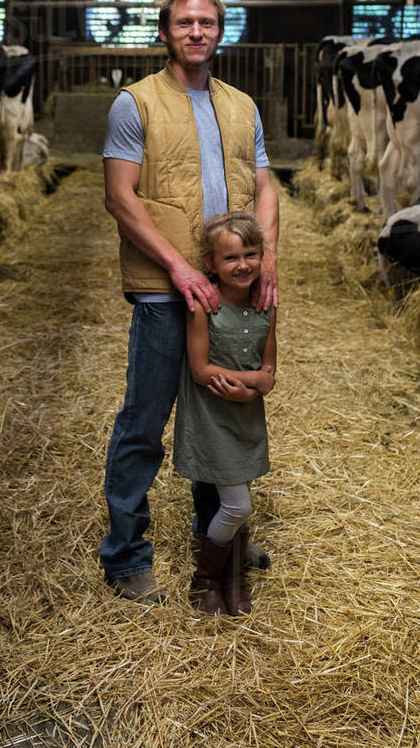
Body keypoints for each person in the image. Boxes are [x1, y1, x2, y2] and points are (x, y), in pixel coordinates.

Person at [100, 0, 279, 602]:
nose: (196, 32)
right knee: (145, 423)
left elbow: (265, 187)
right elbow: (120, 198)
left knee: (220, 414)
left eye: (206, 22)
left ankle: (218, 535)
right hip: (163, 290)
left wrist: (269, 259)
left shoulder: (242, 106)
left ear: (220, 31)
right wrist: (179, 268)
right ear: (164, 32)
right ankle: (126, 557)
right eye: (184, 23)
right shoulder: (136, 103)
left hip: (227, 293)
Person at [173, 211, 276, 616]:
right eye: (230, 258)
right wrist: (250, 382)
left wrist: (259, 382)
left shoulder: (265, 305)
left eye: (251, 254)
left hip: (246, 419)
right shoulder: (204, 307)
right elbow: (201, 371)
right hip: (212, 418)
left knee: (237, 495)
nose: (243, 264)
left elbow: (269, 369)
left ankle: (232, 583)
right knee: (237, 506)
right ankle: (205, 582)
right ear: (211, 264)